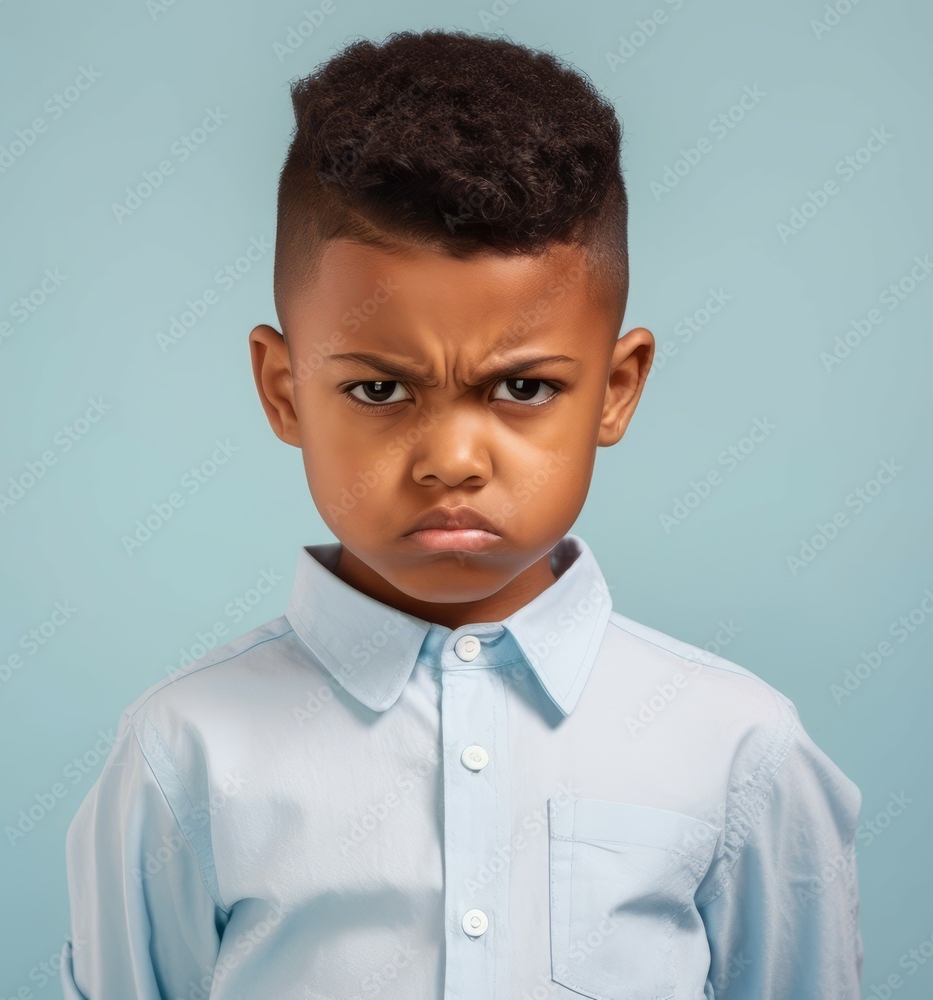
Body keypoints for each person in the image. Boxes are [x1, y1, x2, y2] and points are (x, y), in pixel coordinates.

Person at [60, 28, 863, 999]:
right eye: (376, 392)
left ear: (616, 387)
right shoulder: (181, 753)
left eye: (522, 387)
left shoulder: (742, 751)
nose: (449, 460)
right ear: (282, 390)